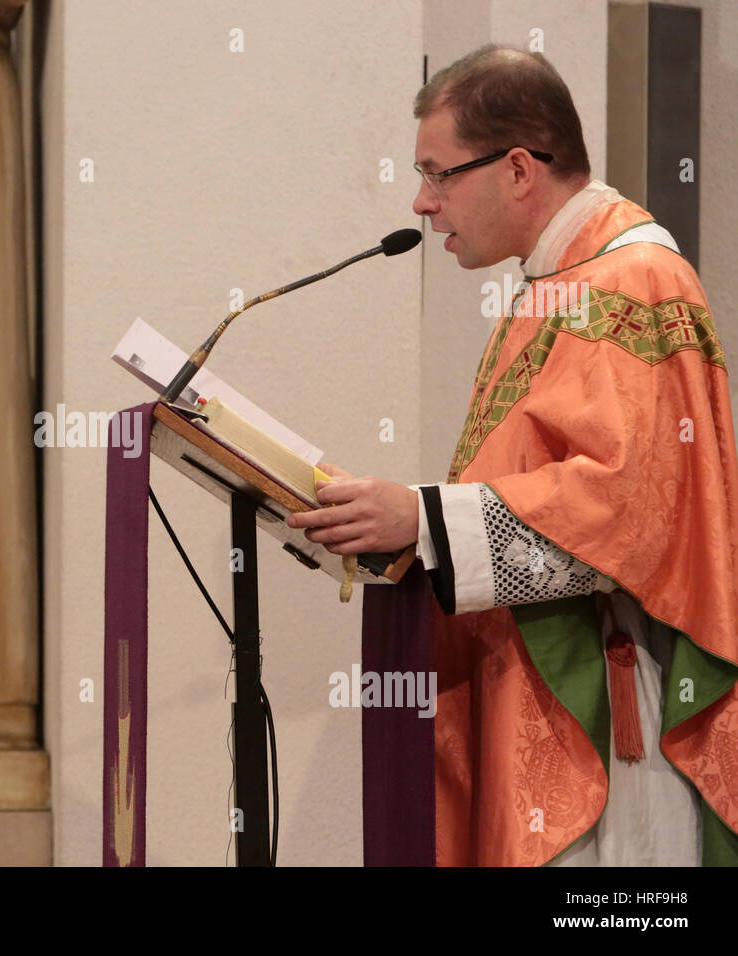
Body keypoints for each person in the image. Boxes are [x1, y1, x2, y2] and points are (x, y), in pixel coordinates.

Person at [288, 44, 738, 866]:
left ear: (521, 169)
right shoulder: (555, 287)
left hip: (609, 709)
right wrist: (410, 518)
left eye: (438, 173)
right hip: (540, 684)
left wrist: (423, 518)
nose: (422, 203)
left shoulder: (632, 281)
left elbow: (628, 510)